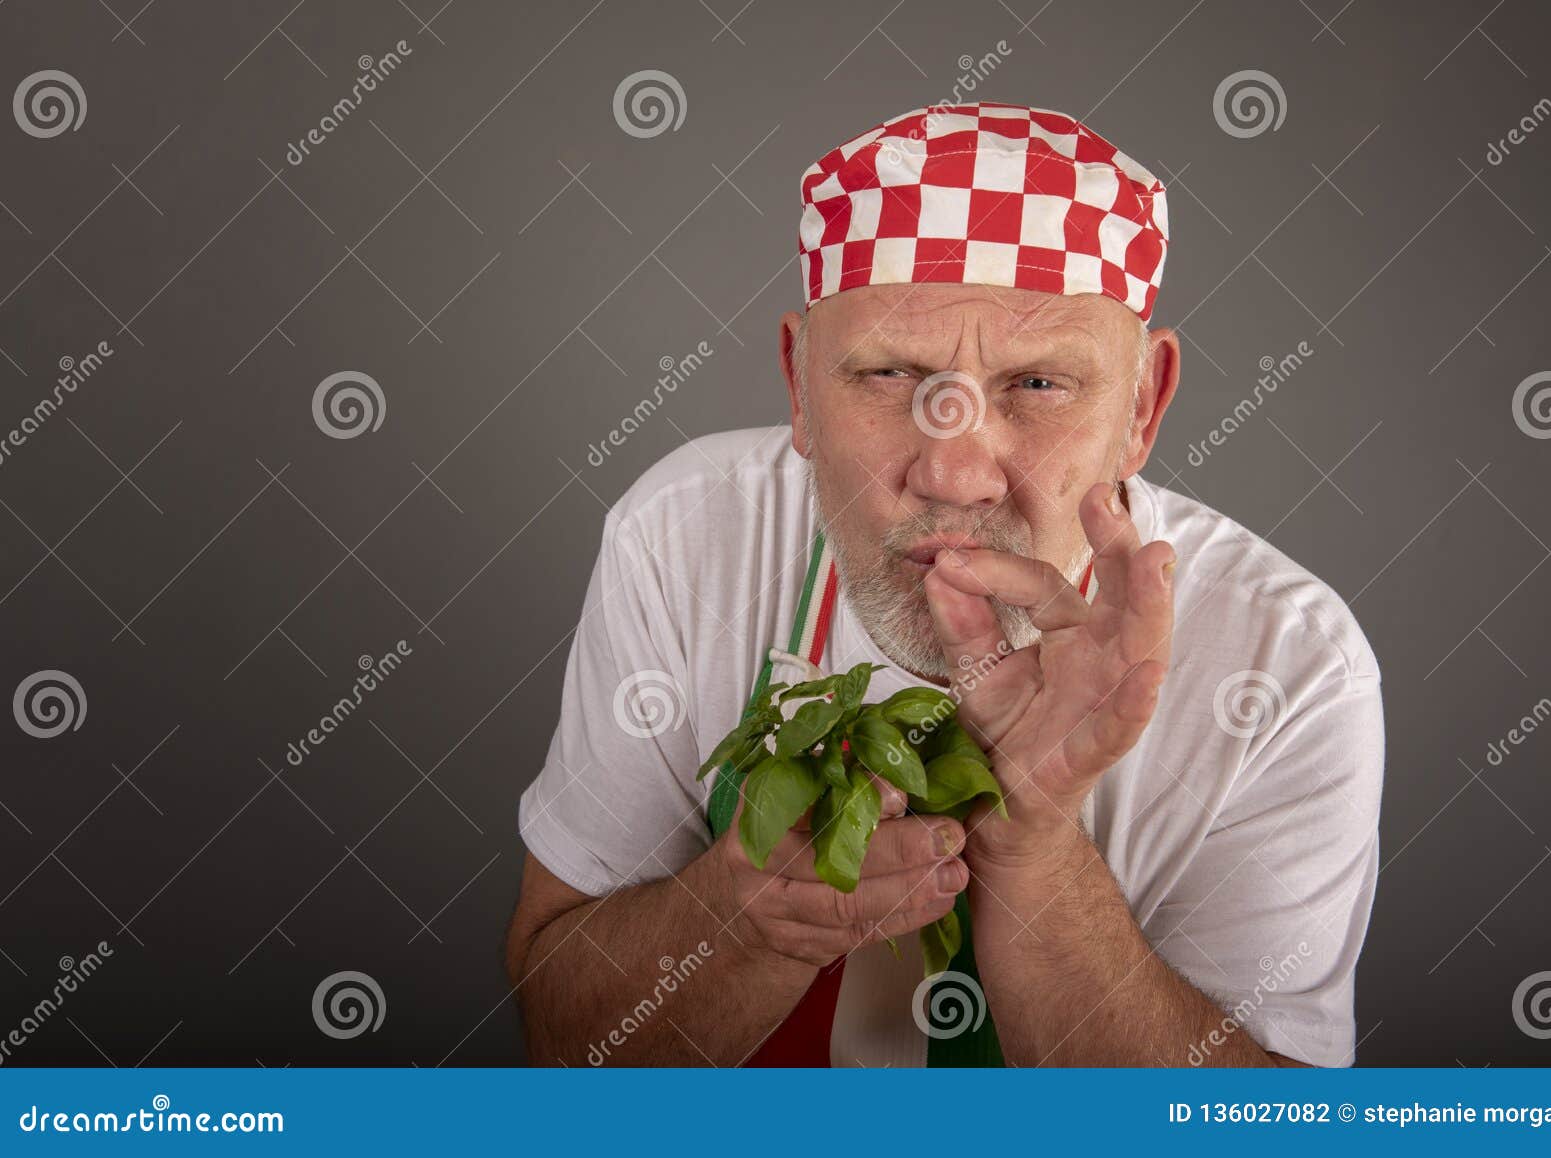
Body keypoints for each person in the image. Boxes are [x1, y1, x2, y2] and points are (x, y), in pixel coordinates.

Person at [504, 102, 1384, 1067]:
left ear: (1143, 408)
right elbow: (564, 1041)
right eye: (888, 374)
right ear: (800, 384)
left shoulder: (1289, 666)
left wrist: (1037, 848)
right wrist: (744, 920)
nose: (955, 476)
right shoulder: (684, 537)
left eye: (1038, 387)